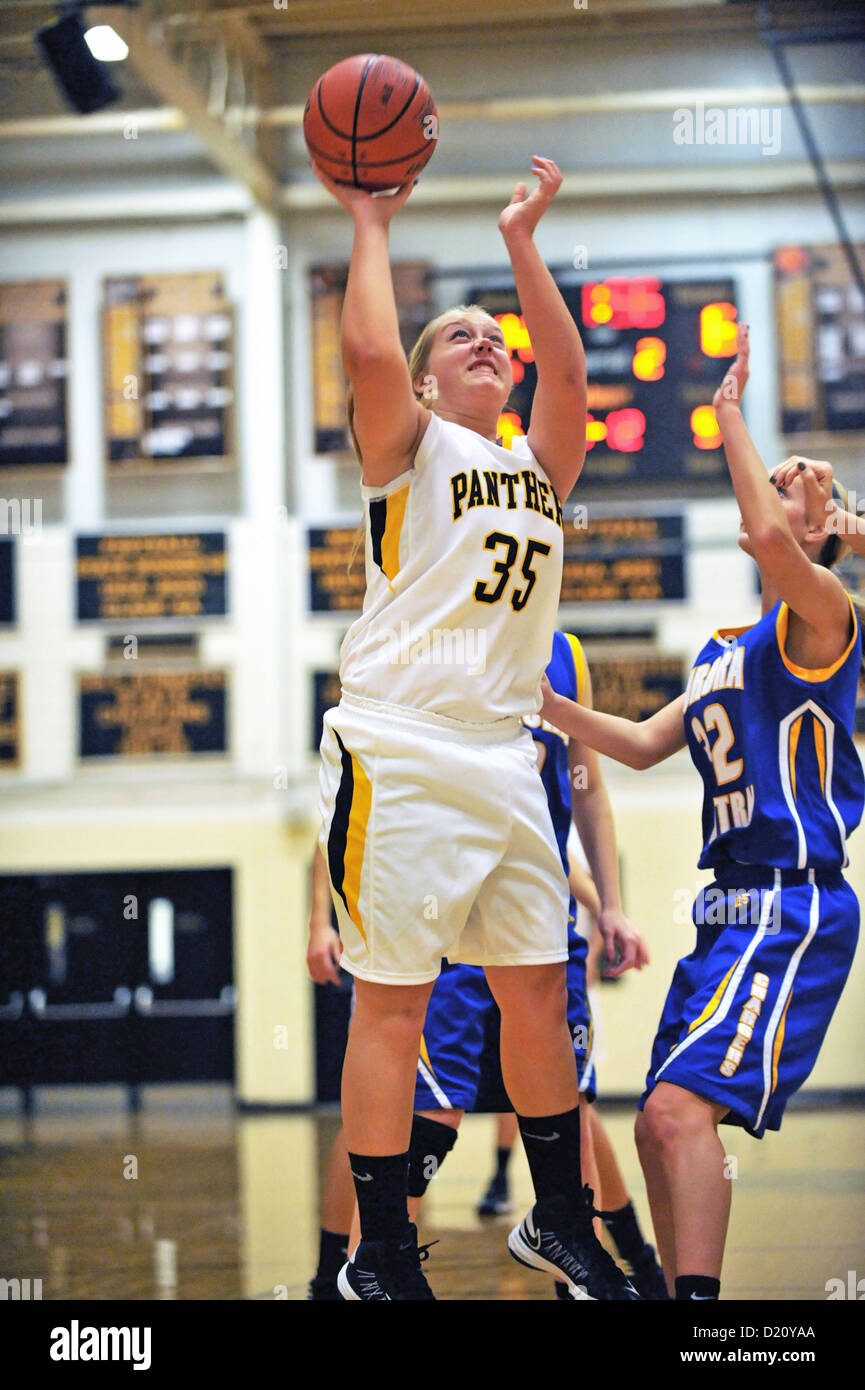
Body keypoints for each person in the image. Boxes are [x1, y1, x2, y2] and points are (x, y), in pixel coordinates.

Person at [313, 152, 635, 1300]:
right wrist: (367, 218)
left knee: (536, 991)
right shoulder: (409, 449)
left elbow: (573, 378)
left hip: (505, 758)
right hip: (399, 743)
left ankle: (557, 1220)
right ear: (429, 384)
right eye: (460, 340)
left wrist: (521, 242)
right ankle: (380, 1253)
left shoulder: (537, 468)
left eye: (494, 337)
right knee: (391, 1004)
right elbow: (363, 350)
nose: (488, 344)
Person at [538, 323, 864, 1300]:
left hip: (791, 905)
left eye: (814, 481)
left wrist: (726, 413)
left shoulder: (827, 621)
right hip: (726, 908)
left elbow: (770, 535)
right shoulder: (729, 644)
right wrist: (540, 700)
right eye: (784, 468)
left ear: (831, 535)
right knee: (652, 1119)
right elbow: (638, 745)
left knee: (678, 1113)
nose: (791, 478)